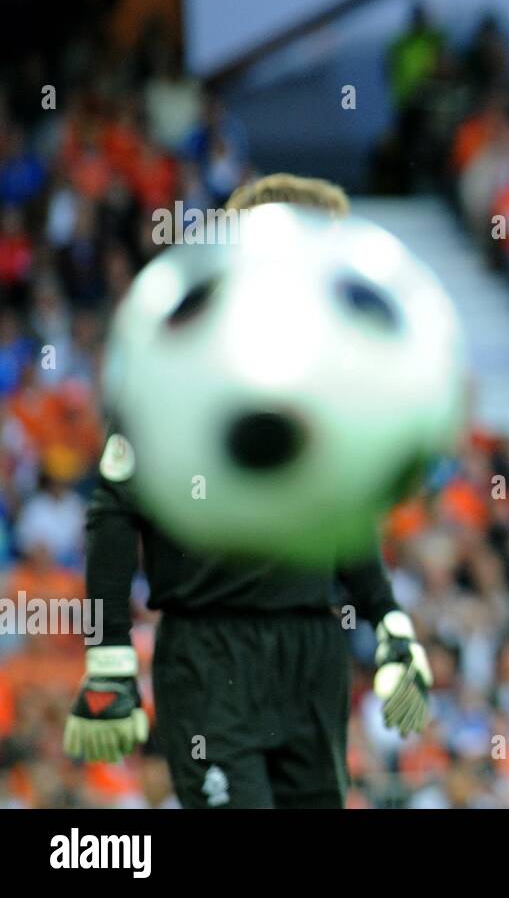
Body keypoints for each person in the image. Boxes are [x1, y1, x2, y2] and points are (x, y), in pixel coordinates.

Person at [63, 173, 432, 808]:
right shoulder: (175, 360)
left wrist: (388, 620)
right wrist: (109, 654)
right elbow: (115, 511)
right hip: (210, 655)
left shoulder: (330, 377)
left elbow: (343, 516)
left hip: (311, 652)